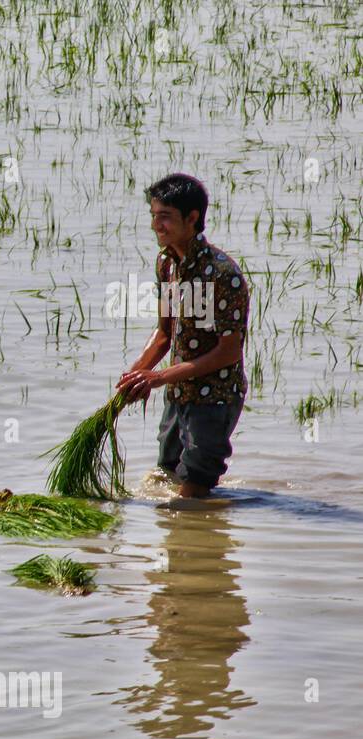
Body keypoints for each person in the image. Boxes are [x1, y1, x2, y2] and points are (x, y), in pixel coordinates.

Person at [118, 174, 247, 499]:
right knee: (168, 474)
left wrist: (159, 377)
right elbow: (165, 333)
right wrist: (137, 375)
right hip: (178, 394)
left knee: (193, 490)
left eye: (165, 217)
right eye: (153, 216)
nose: (156, 226)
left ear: (192, 218)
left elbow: (228, 353)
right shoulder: (167, 264)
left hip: (213, 398)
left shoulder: (223, 275)